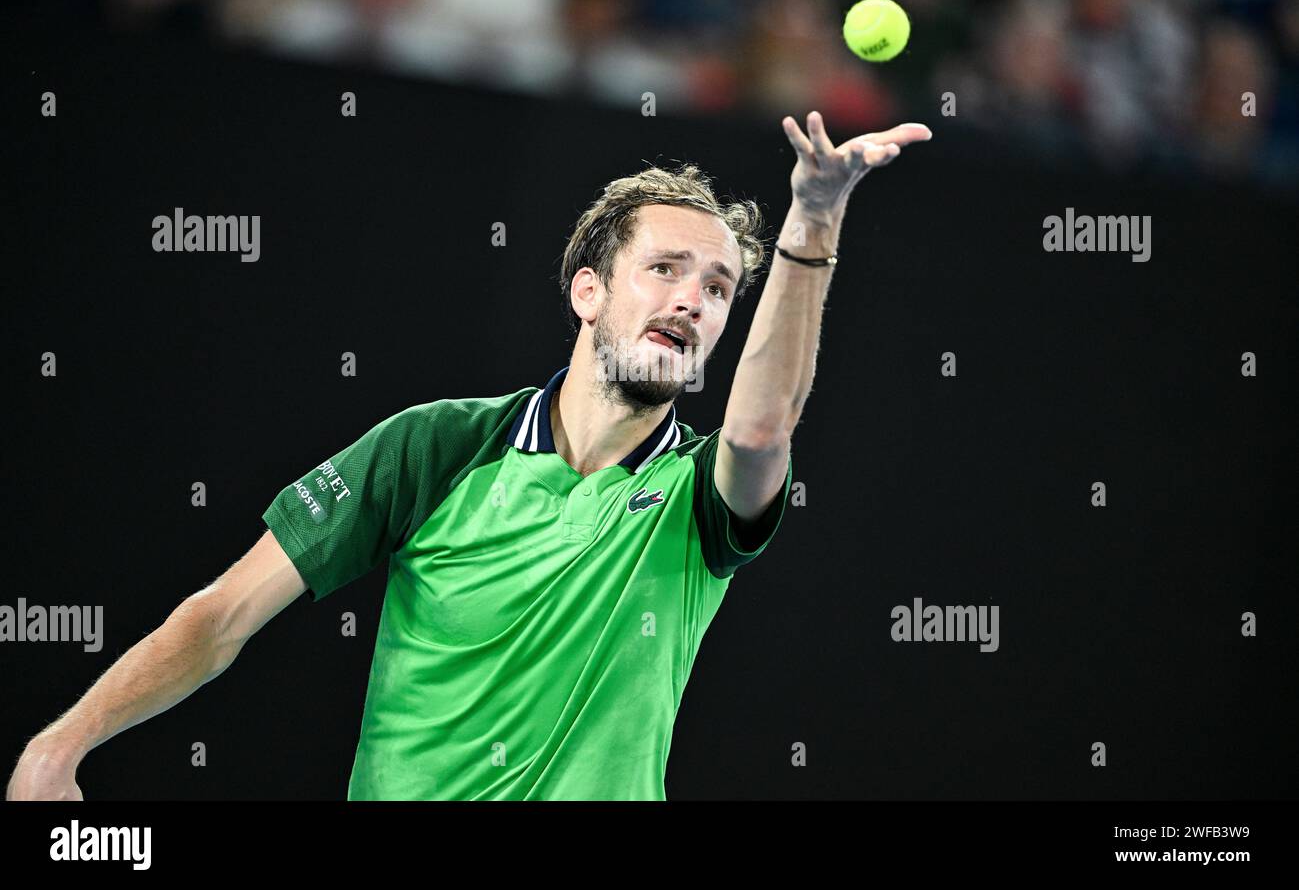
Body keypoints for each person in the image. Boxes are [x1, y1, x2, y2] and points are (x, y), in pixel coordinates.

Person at [7, 111, 930, 800]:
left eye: (720, 288)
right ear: (588, 292)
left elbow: (761, 430)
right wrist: (63, 744)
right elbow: (221, 618)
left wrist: (813, 223)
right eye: (665, 269)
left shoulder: (699, 494)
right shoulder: (438, 446)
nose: (694, 300)